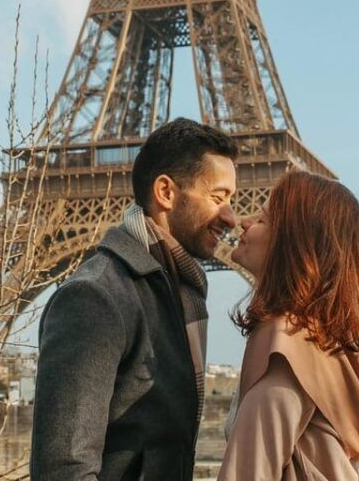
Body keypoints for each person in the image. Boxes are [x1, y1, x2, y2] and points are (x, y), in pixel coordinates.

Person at [31, 118, 238, 480]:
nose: (230, 217)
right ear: (166, 192)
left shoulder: (177, 296)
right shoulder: (95, 296)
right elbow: (63, 469)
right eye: (218, 197)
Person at [219, 171, 359, 481]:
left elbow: (248, 472)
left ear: (293, 246)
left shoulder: (288, 348)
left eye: (262, 220)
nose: (244, 221)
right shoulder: (341, 348)